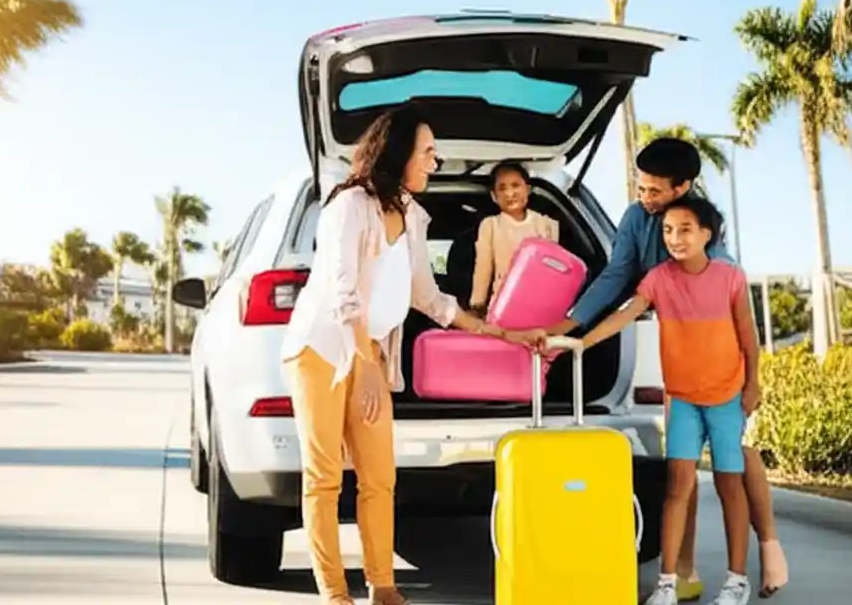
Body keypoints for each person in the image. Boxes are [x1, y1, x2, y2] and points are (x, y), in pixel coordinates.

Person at [280, 103, 541, 605]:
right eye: (428, 152)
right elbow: (343, 292)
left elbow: (430, 298)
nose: (434, 163)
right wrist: (365, 366)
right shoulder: (348, 206)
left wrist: (499, 334)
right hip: (322, 352)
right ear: (398, 152)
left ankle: (383, 586)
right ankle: (335, 594)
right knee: (325, 476)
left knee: (380, 477)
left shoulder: (414, 215)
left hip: (369, 352)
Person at [546, 137, 788, 600]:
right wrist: (573, 327)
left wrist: (751, 380)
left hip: (723, 367)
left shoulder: (714, 253)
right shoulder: (638, 220)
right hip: (679, 364)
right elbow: (619, 278)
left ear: (683, 188)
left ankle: (768, 545)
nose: (645, 198)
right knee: (682, 474)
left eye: (655, 191)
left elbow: (740, 321)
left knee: (733, 464)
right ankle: (682, 570)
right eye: (640, 188)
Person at [571, 197, 759, 605]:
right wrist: (582, 342)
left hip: (726, 398)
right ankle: (667, 583)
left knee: (729, 484)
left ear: (707, 235)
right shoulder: (658, 279)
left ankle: (736, 580)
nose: (674, 238)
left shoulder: (730, 278)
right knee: (678, 488)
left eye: (685, 229)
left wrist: (753, 385)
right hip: (685, 400)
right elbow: (626, 313)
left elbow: (748, 335)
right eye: (668, 230)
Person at [469, 159, 560, 314]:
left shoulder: (546, 224)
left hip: (540, 305)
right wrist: (477, 305)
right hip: (503, 304)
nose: (509, 193)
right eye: (502, 188)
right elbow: (483, 266)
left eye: (515, 185)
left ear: (528, 189)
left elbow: (554, 270)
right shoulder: (490, 225)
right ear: (493, 196)